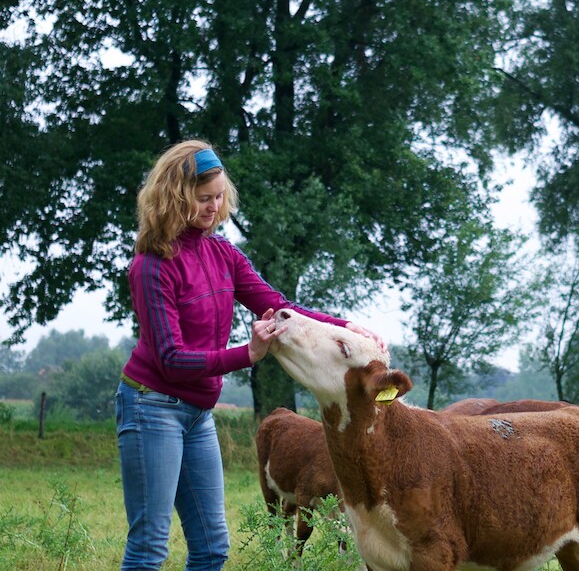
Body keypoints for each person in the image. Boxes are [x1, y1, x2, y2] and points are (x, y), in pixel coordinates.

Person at [115, 140, 386, 570]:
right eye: (204, 199)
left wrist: (344, 327)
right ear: (175, 196)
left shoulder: (222, 253)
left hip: (196, 414)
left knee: (212, 548)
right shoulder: (152, 266)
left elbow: (277, 305)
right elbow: (171, 359)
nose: (214, 206)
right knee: (149, 548)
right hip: (152, 407)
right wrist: (248, 353)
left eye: (220, 196)